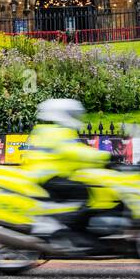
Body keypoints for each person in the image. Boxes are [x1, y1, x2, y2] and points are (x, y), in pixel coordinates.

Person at [19, 98, 108, 234]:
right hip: (48, 178)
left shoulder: (43, 130)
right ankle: (67, 230)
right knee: (83, 192)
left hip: (38, 177)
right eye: (72, 114)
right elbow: (74, 151)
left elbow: (68, 156)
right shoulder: (59, 132)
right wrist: (105, 156)